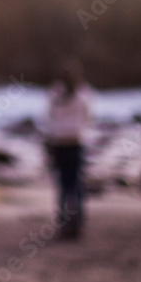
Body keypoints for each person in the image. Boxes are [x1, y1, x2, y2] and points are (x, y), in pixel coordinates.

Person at [43, 59, 92, 239]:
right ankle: (77, 223)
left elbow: (48, 119)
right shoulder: (83, 93)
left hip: (59, 144)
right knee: (76, 185)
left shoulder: (54, 95)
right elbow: (88, 116)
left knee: (63, 186)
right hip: (75, 143)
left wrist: (52, 137)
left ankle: (64, 223)